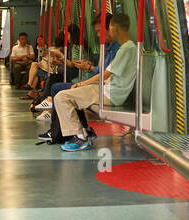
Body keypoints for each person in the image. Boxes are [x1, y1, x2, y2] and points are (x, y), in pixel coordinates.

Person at [53, 13, 137, 152]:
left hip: (110, 94)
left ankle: (80, 138)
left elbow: (105, 74)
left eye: (109, 27)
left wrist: (83, 84)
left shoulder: (127, 49)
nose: (107, 31)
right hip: (108, 90)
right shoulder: (127, 48)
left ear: (116, 28)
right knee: (65, 95)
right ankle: (83, 132)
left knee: (61, 97)